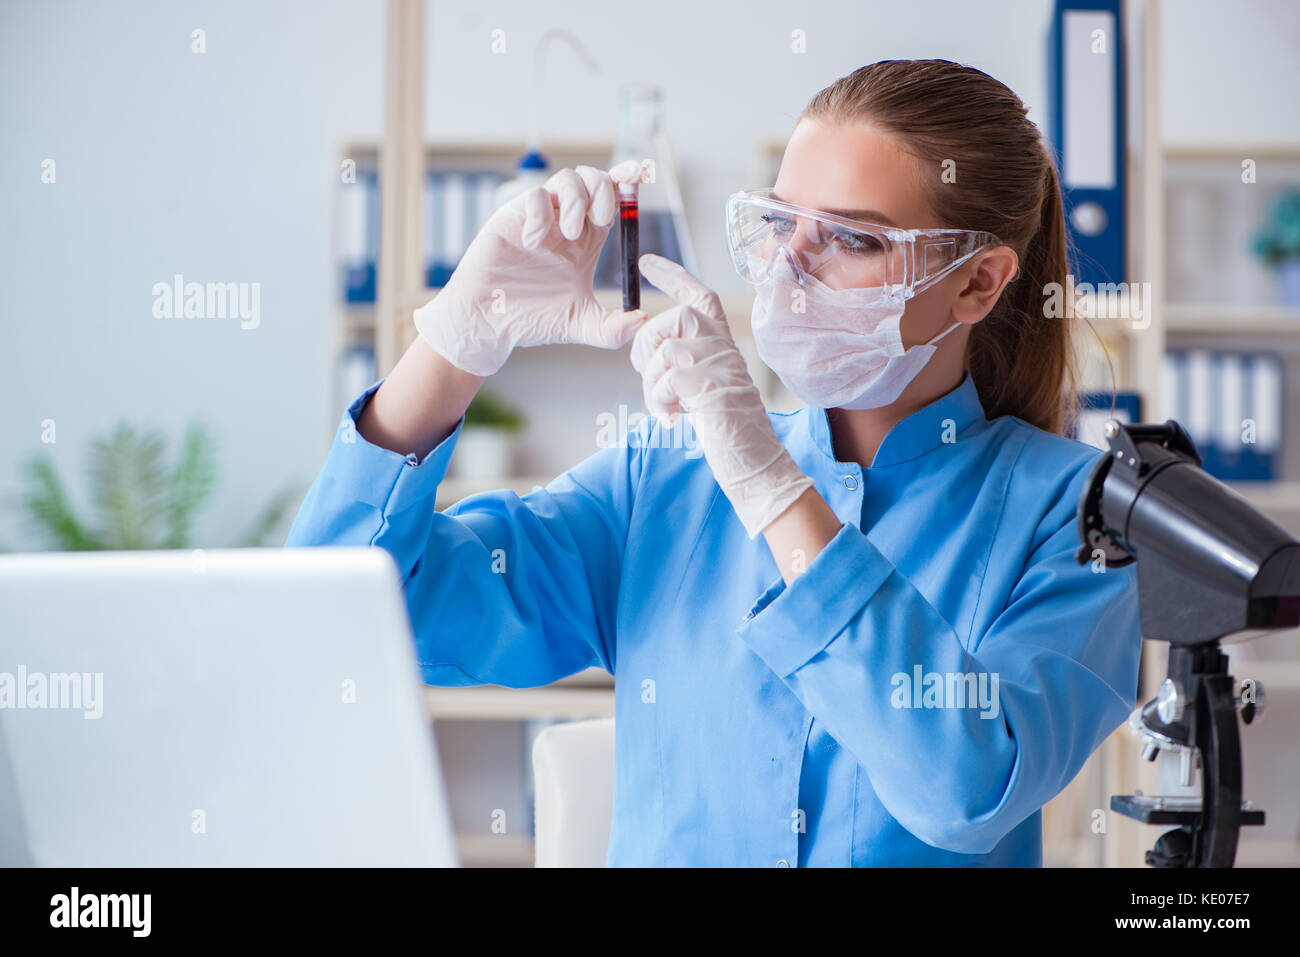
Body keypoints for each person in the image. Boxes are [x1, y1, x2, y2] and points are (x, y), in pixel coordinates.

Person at [286, 59, 1141, 867]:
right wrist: (454, 344)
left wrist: (770, 487)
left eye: (851, 239)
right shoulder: (664, 479)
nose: (791, 267)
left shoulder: (1080, 516)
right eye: (778, 224)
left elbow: (967, 786)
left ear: (978, 282)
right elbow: (353, 620)